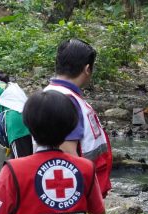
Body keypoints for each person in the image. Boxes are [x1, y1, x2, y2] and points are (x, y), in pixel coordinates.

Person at [45, 38, 112, 197]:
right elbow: (67, 152)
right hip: (77, 190)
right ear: (87, 69)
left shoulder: (56, 94)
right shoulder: (66, 101)